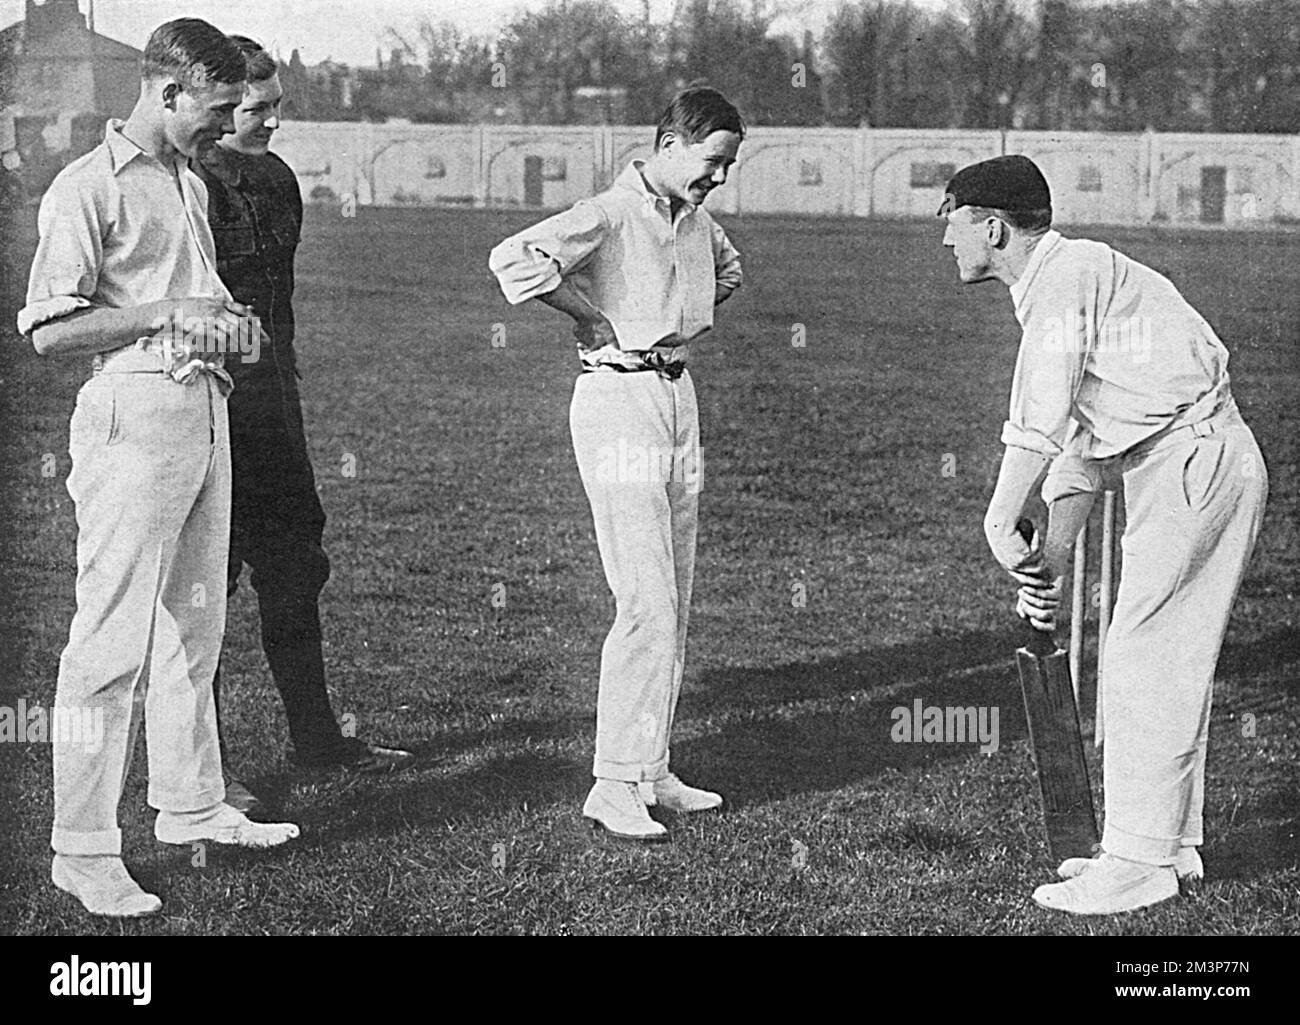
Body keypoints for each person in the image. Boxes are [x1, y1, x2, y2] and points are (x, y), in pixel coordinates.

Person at [17, 18, 300, 919]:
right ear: (165, 91)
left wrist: (227, 325)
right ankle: (83, 848)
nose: (225, 129)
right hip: (130, 413)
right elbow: (50, 329)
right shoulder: (83, 187)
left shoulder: (188, 178)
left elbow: (194, 299)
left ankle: (190, 806)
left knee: (195, 622)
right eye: (214, 112)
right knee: (108, 640)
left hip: (204, 404)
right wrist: (165, 313)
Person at [940, 154, 1268, 914]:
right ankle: (1169, 845)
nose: (945, 242)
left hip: (1194, 459)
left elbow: (1040, 421)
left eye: (950, 223)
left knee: (1147, 656)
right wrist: (1053, 553)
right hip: (1187, 460)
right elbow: (1084, 444)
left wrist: (998, 519)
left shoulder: (1065, 277)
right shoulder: (1069, 282)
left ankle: (1137, 861)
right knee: (1157, 654)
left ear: (992, 226)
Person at [488, 87, 744, 842]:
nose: (718, 178)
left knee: (678, 588)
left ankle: (652, 765)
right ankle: (611, 782)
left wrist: (672, 320)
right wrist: (594, 317)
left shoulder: (696, 220)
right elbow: (514, 260)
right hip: (618, 397)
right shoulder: (608, 210)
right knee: (646, 598)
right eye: (710, 161)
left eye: (728, 165)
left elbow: (727, 272)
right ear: (668, 144)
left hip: (675, 391)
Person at [191, 36, 413, 812]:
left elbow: (277, 310)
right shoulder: (186, 185)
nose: (273, 122)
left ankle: (318, 739)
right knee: (204, 585)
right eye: (257, 109)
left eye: (278, 106)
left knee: (295, 570)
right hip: (207, 407)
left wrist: (282, 394)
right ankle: (204, 768)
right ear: (219, 109)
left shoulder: (279, 179)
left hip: (273, 406)